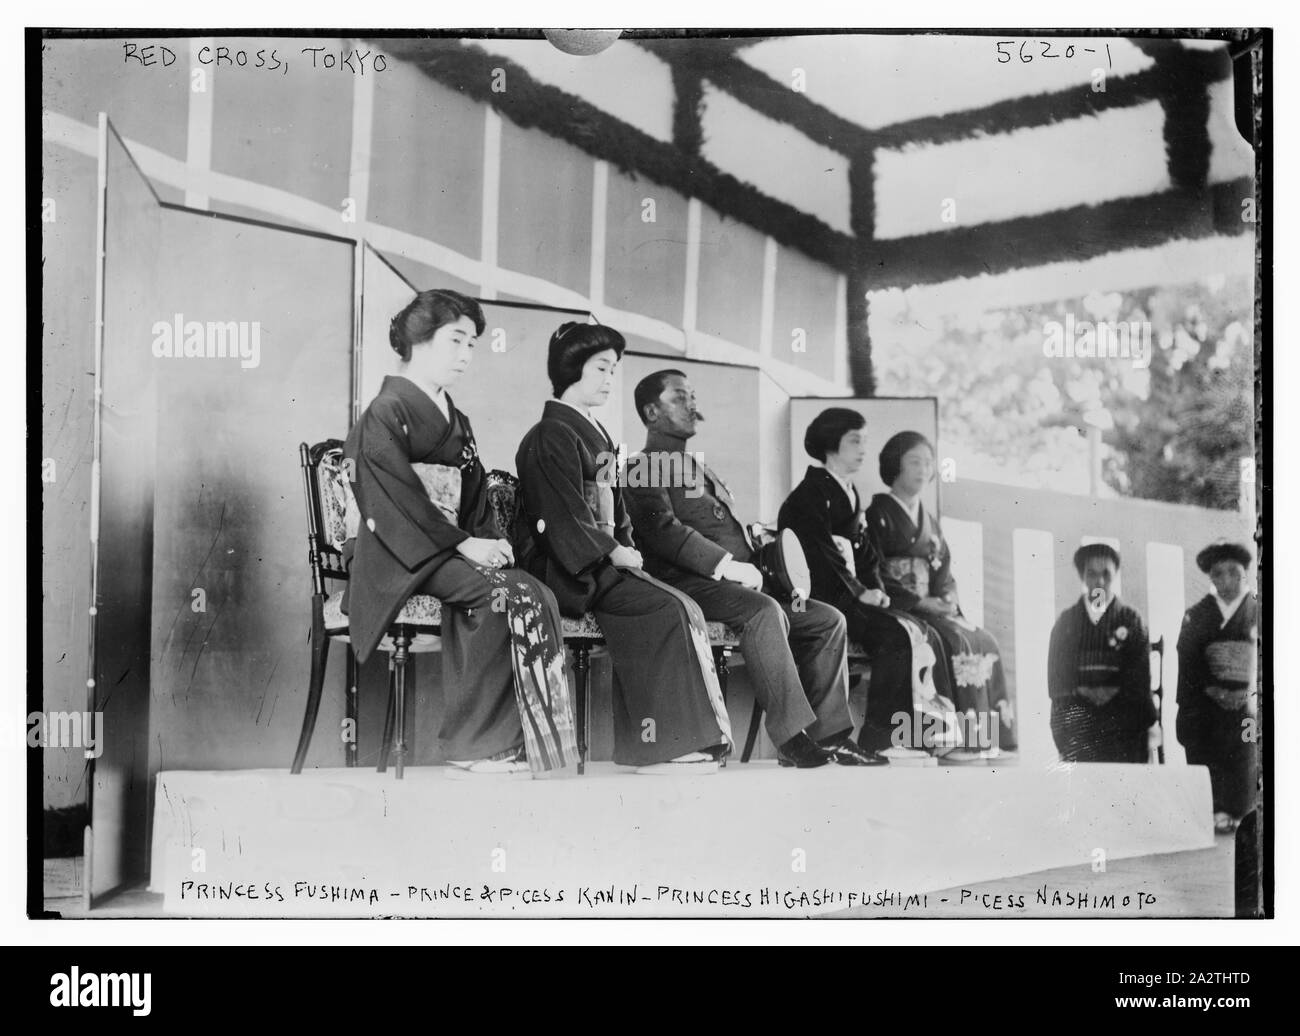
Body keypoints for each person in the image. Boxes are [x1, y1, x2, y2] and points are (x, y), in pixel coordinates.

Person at [342, 289, 576, 777]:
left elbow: (473, 495)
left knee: (526, 588)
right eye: (456, 341)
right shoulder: (384, 412)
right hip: (396, 552)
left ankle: (513, 741)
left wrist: (489, 541)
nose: (467, 356)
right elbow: (392, 501)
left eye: (472, 344)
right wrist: (464, 544)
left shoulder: (457, 419)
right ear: (419, 340)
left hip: (443, 549)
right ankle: (472, 744)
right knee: (504, 597)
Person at [623, 370, 881, 767]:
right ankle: (791, 737)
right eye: (680, 397)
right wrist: (726, 566)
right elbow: (663, 531)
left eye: (693, 396)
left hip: (740, 584)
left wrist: (762, 556)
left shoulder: (694, 466)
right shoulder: (643, 465)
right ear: (651, 410)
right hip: (687, 584)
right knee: (764, 611)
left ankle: (829, 735)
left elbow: (720, 528)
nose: (693, 405)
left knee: (827, 619)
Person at [515, 325, 733, 774]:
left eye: (614, 369)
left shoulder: (596, 433)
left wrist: (628, 551)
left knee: (674, 601)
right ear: (571, 368)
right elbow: (559, 517)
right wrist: (611, 553)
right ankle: (663, 746)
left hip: (603, 559)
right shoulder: (549, 434)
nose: (610, 378)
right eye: (600, 368)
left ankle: (652, 744)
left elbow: (620, 513)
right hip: (566, 565)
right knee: (663, 608)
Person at [779, 409, 963, 759]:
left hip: (851, 597)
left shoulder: (849, 494)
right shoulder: (810, 494)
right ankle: (880, 739)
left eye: (865, 441)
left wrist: (876, 589)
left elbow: (866, 557)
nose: (863, 448)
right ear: (830, 444)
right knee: (895, 635)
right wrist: (860, 592)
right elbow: (820, 556)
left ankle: (915, 734)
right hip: (823, 596)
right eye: (854, 441)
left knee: (914, 627)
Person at [863, 429, 1015, 752]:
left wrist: (946, 599)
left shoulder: (929, 521)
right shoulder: (876, 515)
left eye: (929, 463)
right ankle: (947, 739)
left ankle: (986, 738)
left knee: (983, 639)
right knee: (950, 640)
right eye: (914, 462)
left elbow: (943, 570)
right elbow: (872, 569)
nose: (923, 469)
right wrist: (920, 601)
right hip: (900, 607)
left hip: (932, 605)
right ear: (895, 465)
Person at [1176, 540, 1259, 834]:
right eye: (1219, 573)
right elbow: (1188, 661)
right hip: (1207, 698)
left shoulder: (1258, 608)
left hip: (1249, 700)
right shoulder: (1196, 615)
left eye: (1234, 572)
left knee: (1249, 740)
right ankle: (1215, 809)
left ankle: (1243, 809)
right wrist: (1214, 691)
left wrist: (1248, 691)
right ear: (1210, 577)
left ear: (1244, 573)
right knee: (1201, 731)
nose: (1227, 580)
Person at [1046, 543, 1156, 762]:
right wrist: (1084, 692)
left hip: (1120, 714)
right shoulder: (1066, 622)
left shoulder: (1131, 620)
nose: (1099, 581)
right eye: (1091, 574)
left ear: (1115, 575)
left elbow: (1140, 678)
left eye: (1106, 573)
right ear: (1082, 577)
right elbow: (1057, 678)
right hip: (1080, 712)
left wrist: (1110, 694)